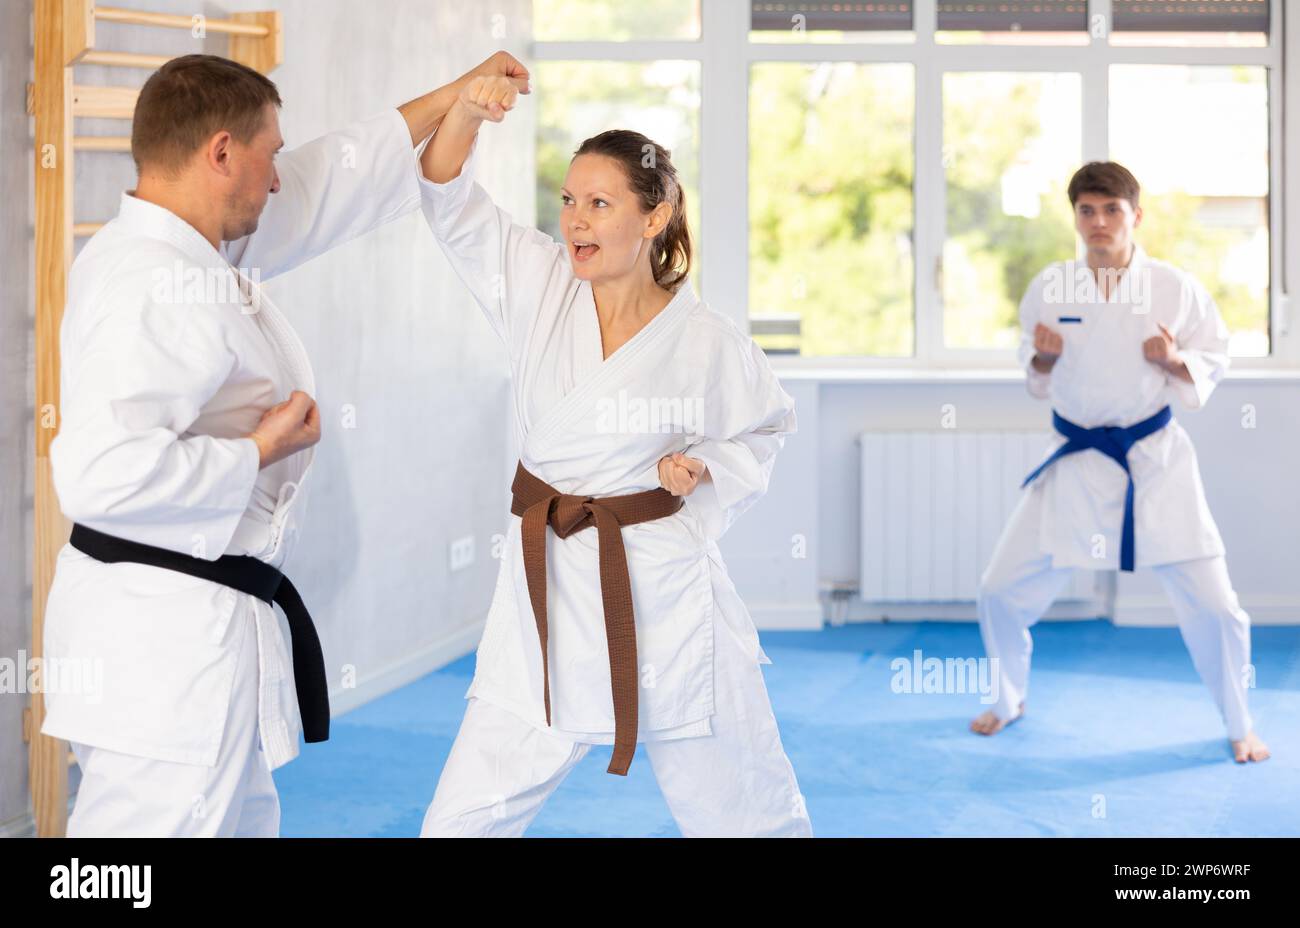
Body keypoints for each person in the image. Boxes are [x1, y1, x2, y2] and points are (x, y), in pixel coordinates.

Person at [42, 51, 532, 836]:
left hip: (197, 634)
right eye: (266, 155)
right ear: (222, 153)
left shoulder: (193, 253)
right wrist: (257, 451)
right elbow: (101, 476)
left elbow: (321, 185)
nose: (275, 180)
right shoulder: (148, 280)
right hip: (162, 648)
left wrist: (453, 100)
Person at [416, 75, 813, 836]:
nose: (574, 221)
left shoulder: (707, 341)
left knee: (748, 813)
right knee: (460, 821)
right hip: (545, 592)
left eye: (599, 203)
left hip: (661, 594)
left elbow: (764, 429)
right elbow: (446, 197)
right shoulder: (537, 284)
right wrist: (464, 108)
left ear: (654, 215)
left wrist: (705, 471)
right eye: (567, 201)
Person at [970, 161, 1270, 764]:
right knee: (999, 590)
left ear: (1136, 214)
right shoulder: (1051, 286)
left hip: (1154, 463)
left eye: (1112, 210)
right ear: (1075, 216)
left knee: (1216, 607)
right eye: (1087, 210)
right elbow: (1031, 365)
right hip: (1076, 460)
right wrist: (1045, 361)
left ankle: (1239, 721)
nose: (1099, 221)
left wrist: (1174, 359)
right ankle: (1008, 700)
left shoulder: (1174, 286)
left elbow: (1216, 354)